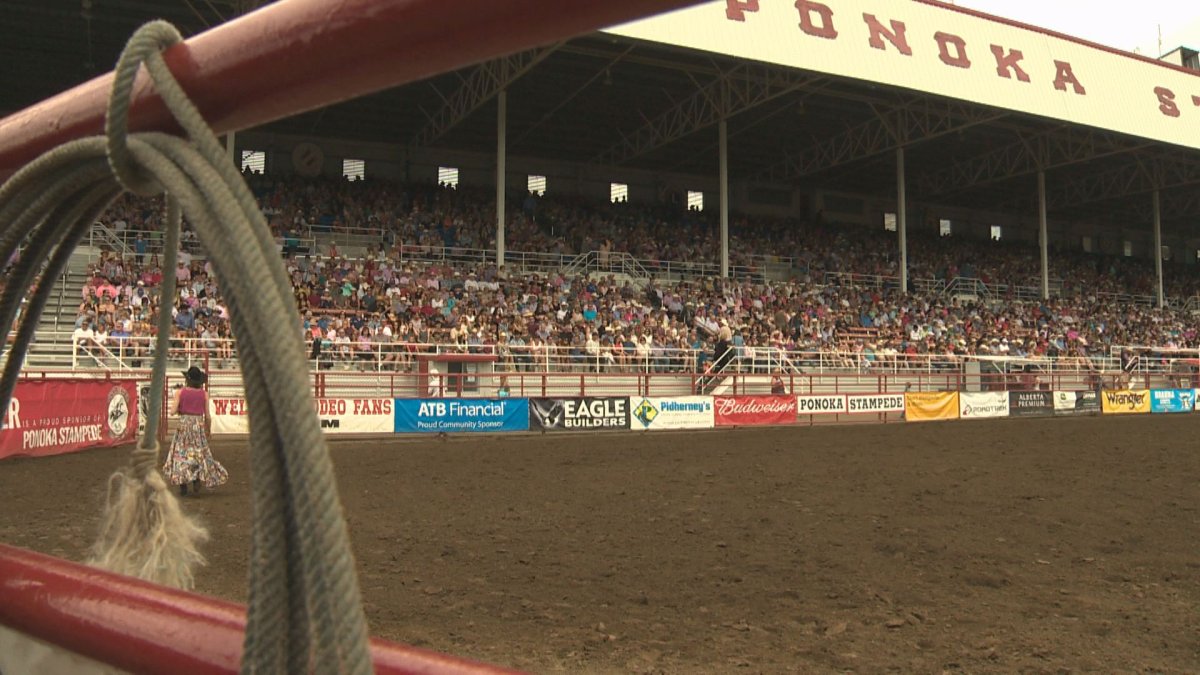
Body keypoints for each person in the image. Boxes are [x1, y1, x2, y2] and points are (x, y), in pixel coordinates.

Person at [162, 366, 228, 497]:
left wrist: (181, 408)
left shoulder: (180, 393)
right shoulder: (204, 394)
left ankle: (183, 484)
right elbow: (208, 416)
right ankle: (196, 479)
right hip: (198, 425)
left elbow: (172, 411)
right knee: (198, 453)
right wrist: (208, 430)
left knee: (182, 453)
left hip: (184, 425)